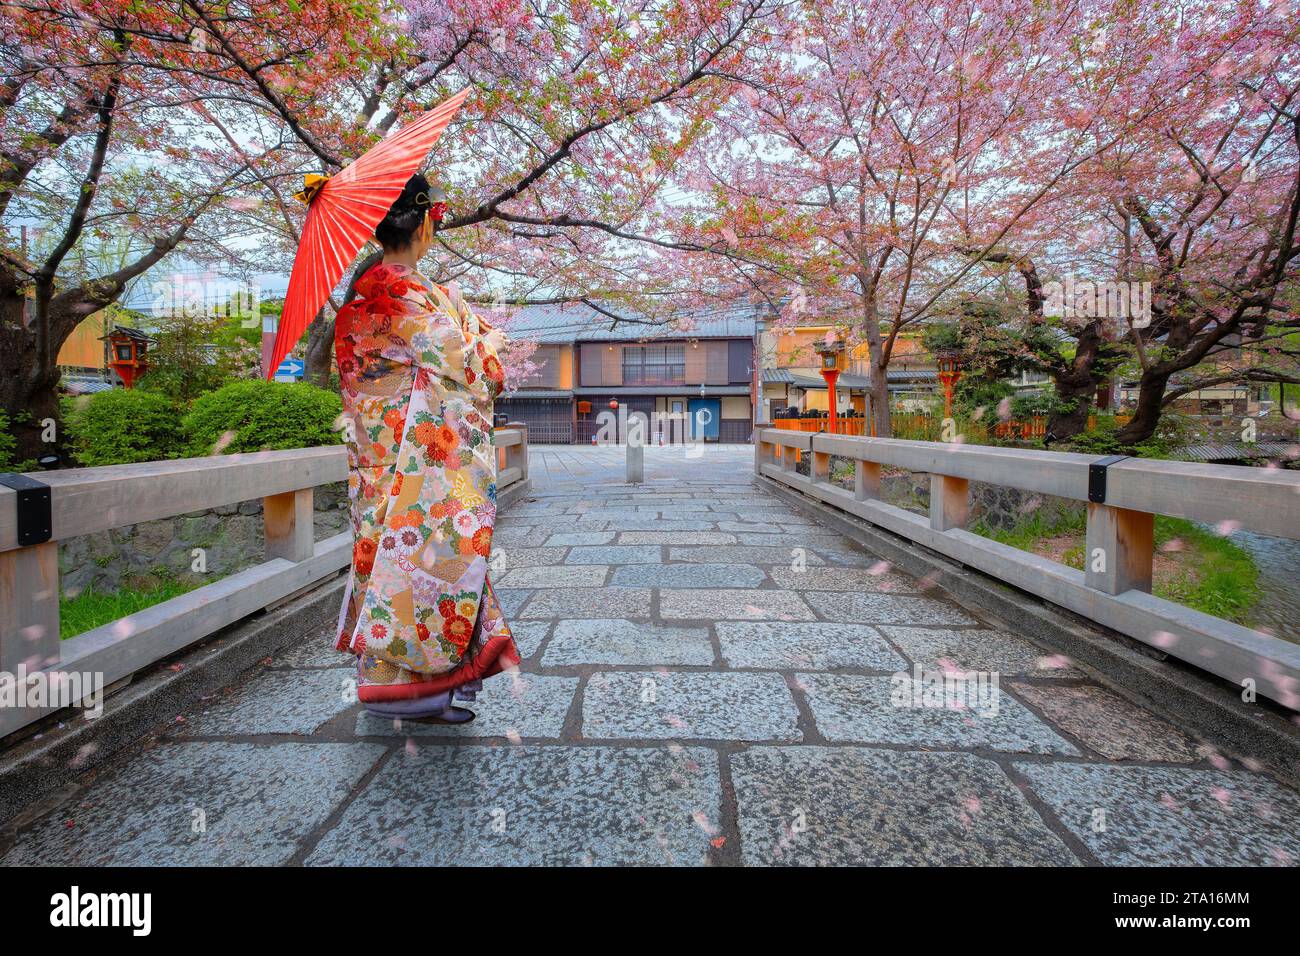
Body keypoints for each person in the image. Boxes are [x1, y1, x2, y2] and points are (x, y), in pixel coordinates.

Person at [332, 172, 520, 722]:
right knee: (431, 565)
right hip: (419, 464)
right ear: (424, 226)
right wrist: (488, 337)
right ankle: (424, 692)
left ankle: (390, 684)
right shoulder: (409, 295)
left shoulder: (362, 298)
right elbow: (478, 370)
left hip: (375, 459)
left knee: (383, 564)